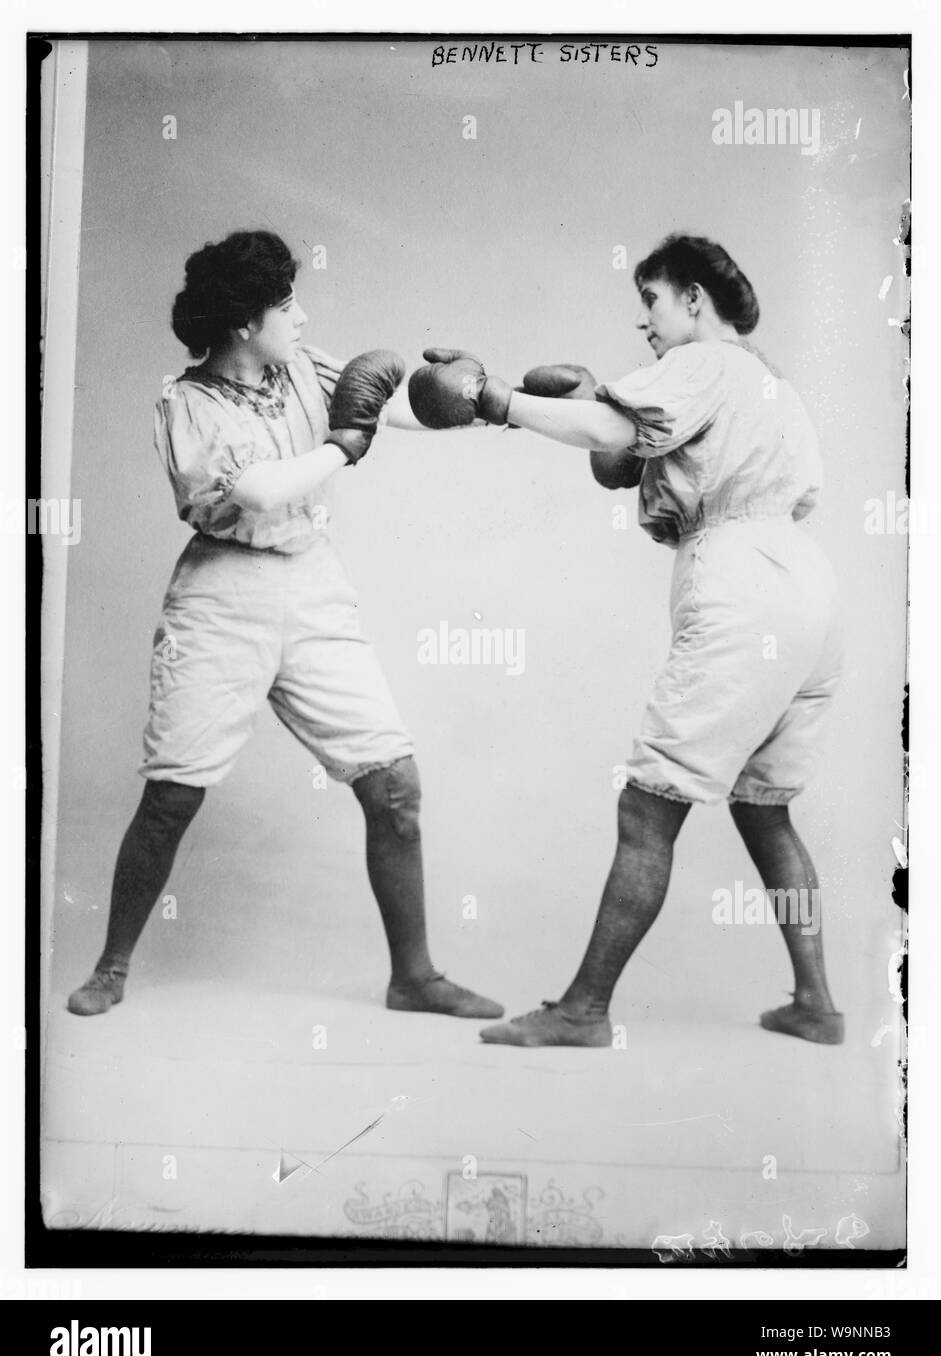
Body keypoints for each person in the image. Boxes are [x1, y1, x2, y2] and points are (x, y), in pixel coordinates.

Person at [407, 233, 844, 1048]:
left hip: (740, 581)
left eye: (650, 300)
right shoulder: (767, 381)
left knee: (647, 810)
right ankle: (815, 1004)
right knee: (765, 812)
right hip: (807, 594)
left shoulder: (704, 361)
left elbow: (608, 427)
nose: (643, 320)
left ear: (692, 300)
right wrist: (576, 396)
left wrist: (492, 397)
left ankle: (583, 1010)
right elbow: (619, 457)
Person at [67, 229, 503, 1022]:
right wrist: (343, 447)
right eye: (285, 303)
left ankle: (414, 977)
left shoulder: (303, 366)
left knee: (394, 786)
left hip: (311, 582)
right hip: (220, 597)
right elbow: (262, 491)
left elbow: (389, 408)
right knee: (172, 795)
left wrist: (471, 395)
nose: (301, 316)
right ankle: (112, 963)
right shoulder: (185, 402)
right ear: (242, 323)